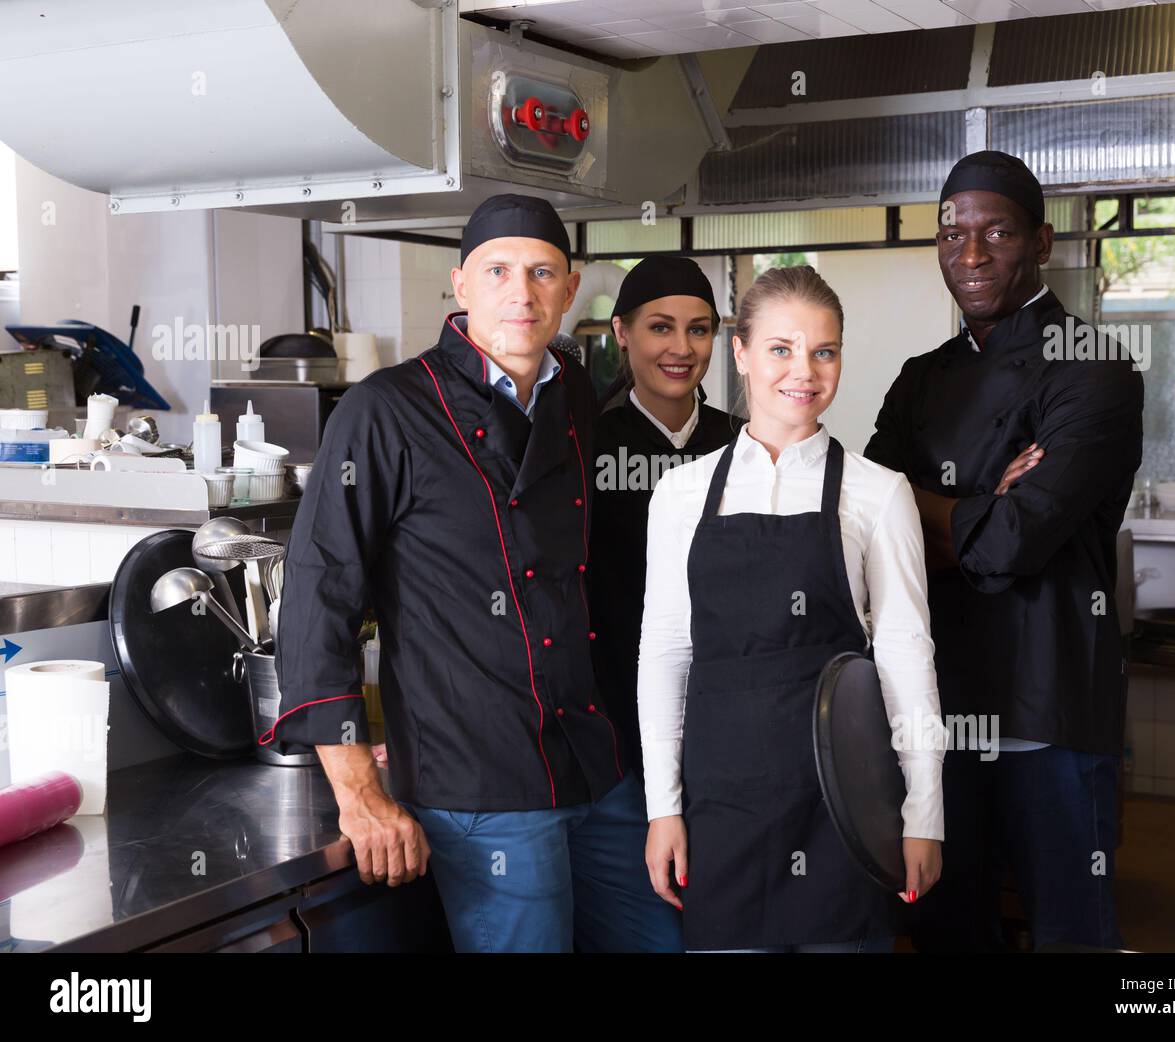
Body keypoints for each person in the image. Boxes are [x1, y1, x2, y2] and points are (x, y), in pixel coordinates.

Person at [267, 193, 680, 953]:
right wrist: (357, 791)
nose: (519, 293)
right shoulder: (384, 410)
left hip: (594, 760)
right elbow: (320, 596)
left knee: (662, 943)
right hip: (480, 778)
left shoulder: (576, 395)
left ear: (569, 286)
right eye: (497, 271)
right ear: (460, 285)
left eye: (540, 273)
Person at [863, 151, 1143, 951]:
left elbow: (1019, 542)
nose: (972, 254)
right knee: (950, 927)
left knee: (1068, 931)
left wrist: (938, 516)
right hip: (935, 702)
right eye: (953, 234)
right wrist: (986, 505)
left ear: (1041, 242)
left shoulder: (1098, 370)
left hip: (1047, 702)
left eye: (997, 233)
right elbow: (867, 528)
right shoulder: (921, 378)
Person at [638, 265, 944, 953]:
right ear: (740, 353)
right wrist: (664, 809)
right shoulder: (681, 495)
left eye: (823, 350)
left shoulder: (878, 492)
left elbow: (904, 656)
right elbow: (663, 657)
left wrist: (926, 811)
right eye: (780, 348)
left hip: (841, 801)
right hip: (723, 805)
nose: (803, 370)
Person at [588, 256, 739, 805]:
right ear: (621, 333)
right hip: (610, 719)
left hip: (724, 710)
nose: (681, 348)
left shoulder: (744, 443)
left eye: (697, 330)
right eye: (660, 327)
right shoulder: (585, 444)